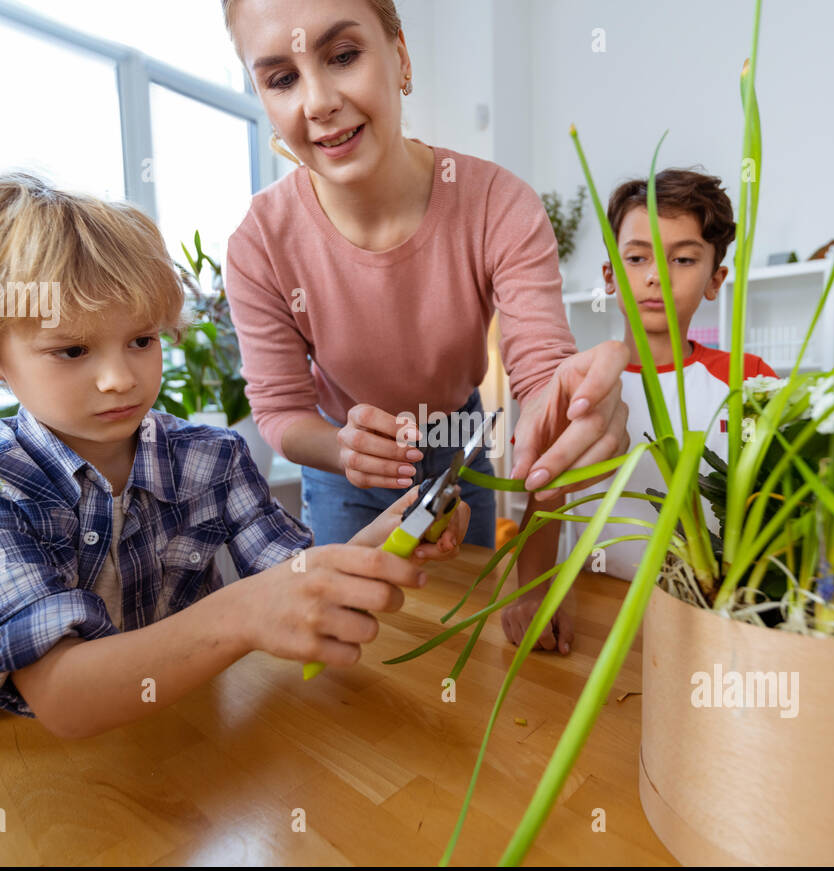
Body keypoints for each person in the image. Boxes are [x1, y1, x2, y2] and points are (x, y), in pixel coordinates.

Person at [0, 172, 468, 755]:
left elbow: (294, 578)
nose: (120, 379)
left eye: (142, 341)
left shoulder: (213, 458)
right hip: (31, 762)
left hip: (188, 735)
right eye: (72, 349)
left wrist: (381, 542)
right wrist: (242, 613)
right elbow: (64, 698)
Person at [221, 0, 630, 553]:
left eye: (343, 55)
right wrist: (345, 450)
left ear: (401, 56)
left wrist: (564, 411)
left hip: (459, 443)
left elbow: (540, 379)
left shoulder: (498, 204)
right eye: (282, 79)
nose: (317, 102)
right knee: (364, 633)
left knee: (463, 620)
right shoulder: (258, 244)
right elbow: (281, 410)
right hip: (342, 465)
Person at [503, 168, 778, 653]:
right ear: (610, 276)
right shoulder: (579, 382)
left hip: (711, 622)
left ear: (717, 279)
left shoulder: (748, 380)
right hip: (599, 614)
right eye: (636, 258)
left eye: (684, 259)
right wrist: (535, 591)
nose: (655, 275)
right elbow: (545, 496)